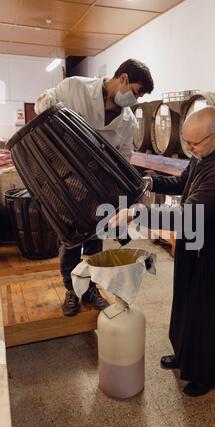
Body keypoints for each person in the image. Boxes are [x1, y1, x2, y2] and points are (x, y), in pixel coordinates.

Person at [109, 106, 215, 396]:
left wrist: (139, 213)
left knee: (208, 315)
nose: (188, 148)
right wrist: (151, 181)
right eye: (185, 141)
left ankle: (206, 374)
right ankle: (186, 355)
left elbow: (189, 215)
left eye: (194, 143)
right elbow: (184, 183)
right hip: (195, 247)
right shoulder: (206, 155)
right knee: (187, 306)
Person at [34, 59, 154, 316]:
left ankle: (90, 289)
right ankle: (71, 289)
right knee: (70, 239)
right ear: (122, 78)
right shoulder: (75, 88)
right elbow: (43, 101)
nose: (134, 99)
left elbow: (125, 155)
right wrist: (56, 114)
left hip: (99, 187)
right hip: (66, 181)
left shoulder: (127, 120)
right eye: (134, 91)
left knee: (96, 238)